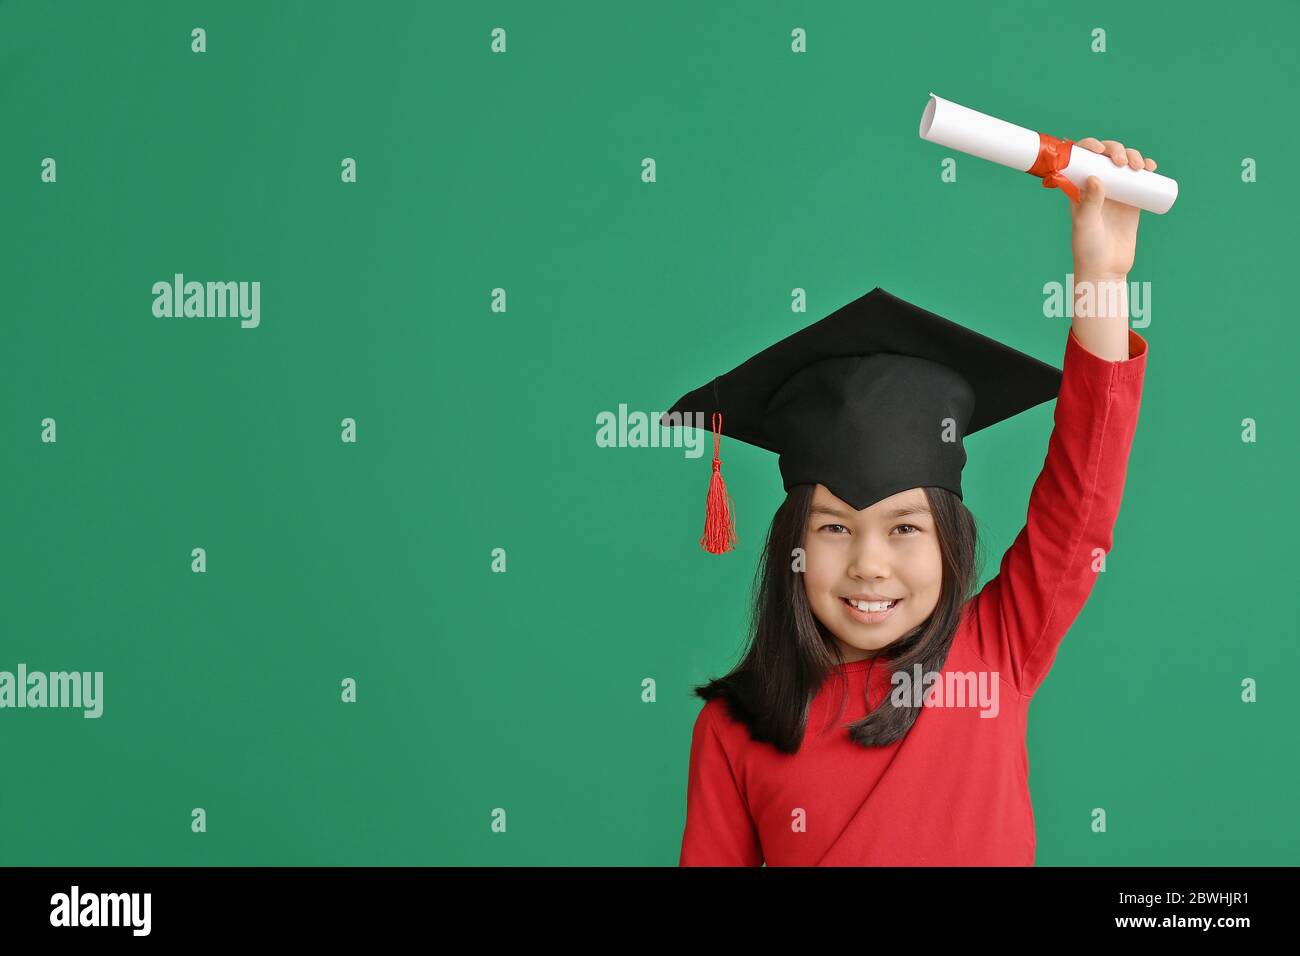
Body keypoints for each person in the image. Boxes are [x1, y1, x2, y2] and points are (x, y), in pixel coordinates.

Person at [666, 138, 1155, 866]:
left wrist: (1101, 276)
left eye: (904, 528)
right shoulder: (733, 727)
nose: (869, 565)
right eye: (834, 527)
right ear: (793, 544)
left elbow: (1084, 488)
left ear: (950, 541)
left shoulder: (995, 653)